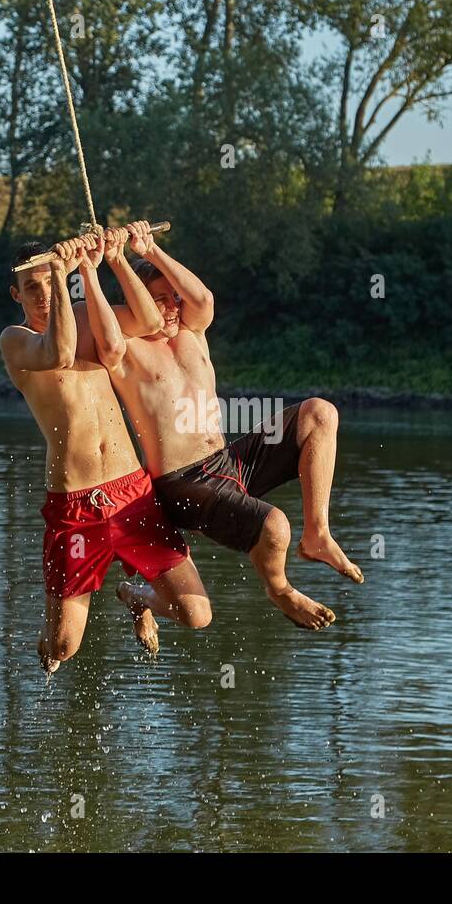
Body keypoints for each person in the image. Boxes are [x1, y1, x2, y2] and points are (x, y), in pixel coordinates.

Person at [91, 221, 363, 632]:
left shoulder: (192, 332)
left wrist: (150, 250)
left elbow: (203, 298)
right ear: (136, 301)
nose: (170, 307)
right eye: (159, 299)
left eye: (173, 298)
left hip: (227, 462)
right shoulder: (126, 348)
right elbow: (109, 336)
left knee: (319, 414)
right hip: (182, 483)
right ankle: (279, 589)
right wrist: (110, 261)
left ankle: (318, 534)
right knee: (273, 526)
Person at [0, 230, 211, 672]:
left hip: (131, 494)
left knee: (197, 615)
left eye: (49, 281)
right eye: (32, 286)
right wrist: (62, 274)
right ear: (16, 293)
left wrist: (111, 257)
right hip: (77, 507)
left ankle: (136, 595)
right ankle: (48, 641)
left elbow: (150, 321)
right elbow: (58, 353)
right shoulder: (15, 340)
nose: (43, 294)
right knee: (62, 647)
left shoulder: (86, 313)